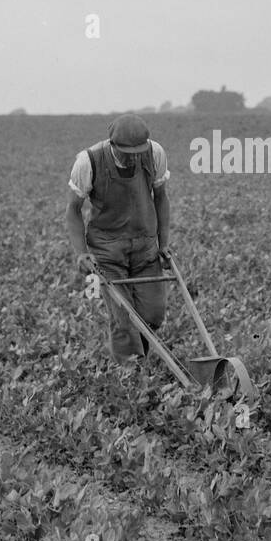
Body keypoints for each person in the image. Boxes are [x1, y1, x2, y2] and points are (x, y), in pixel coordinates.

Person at [64, 113, 172, 362]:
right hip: (107, 252)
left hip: (145, 247)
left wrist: (163, 244)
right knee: (123, 320)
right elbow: (73, 210)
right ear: (113, 145)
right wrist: (82, 253)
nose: (134, 156)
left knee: (153, 314)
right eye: (127, 152)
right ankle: (130, 376)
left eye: (138, 151)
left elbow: (161, 198)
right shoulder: (88, 161)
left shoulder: (155, 154)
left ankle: (138, 358)